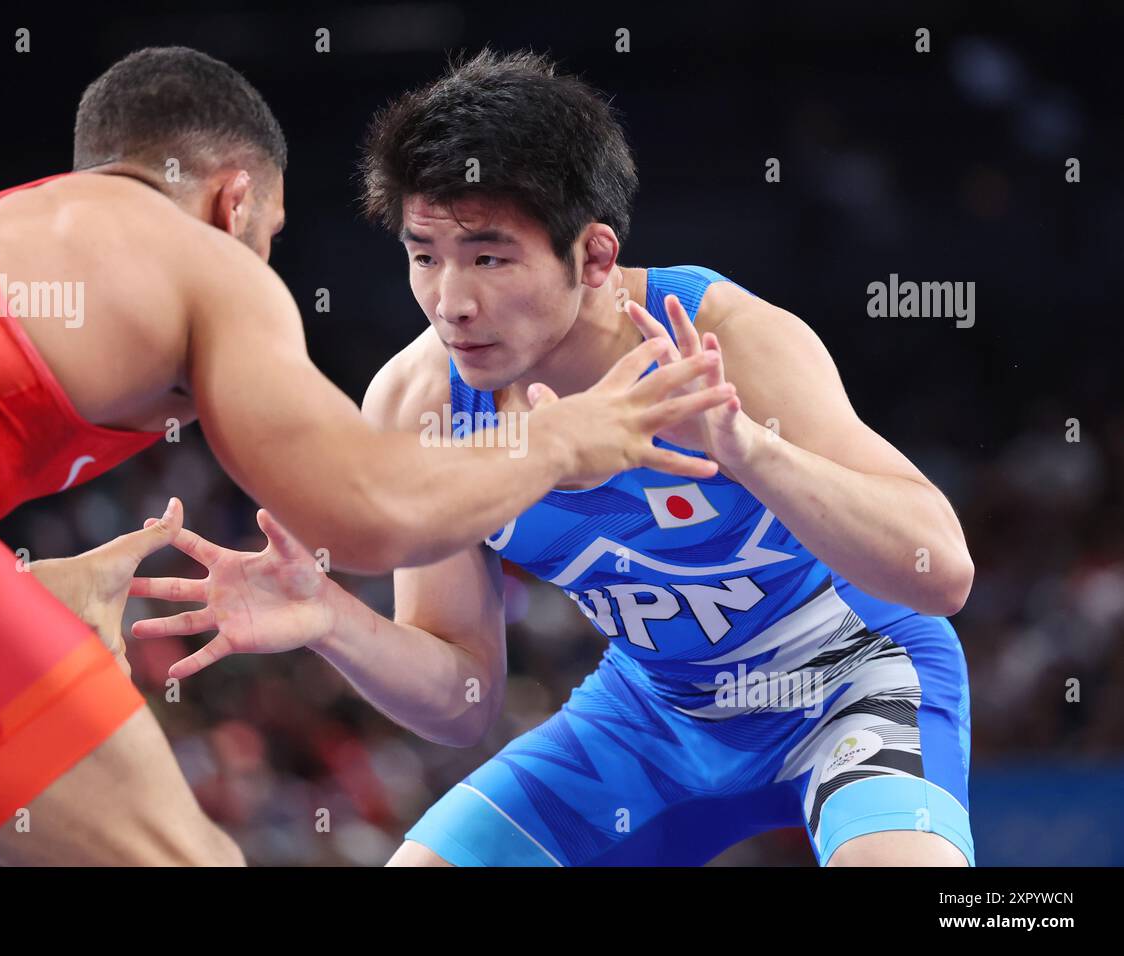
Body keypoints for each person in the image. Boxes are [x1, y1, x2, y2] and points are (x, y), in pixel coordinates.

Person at [0, 46, 722, 865]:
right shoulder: (197, 258)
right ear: (237, 199)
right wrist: (564, 438)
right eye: (272, 234)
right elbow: (371, 516)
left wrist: (10, 590)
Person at [134, 50, 976, 867]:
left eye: (490, 258)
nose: (451, 303)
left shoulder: (728, 342)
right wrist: (332, 620)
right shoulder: (418, 405)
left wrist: (750, 451)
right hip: (654, 714)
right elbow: (464, 701)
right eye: (424, 256)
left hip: (853, 677)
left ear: (596, 256)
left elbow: (941, 574)